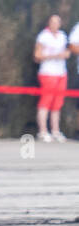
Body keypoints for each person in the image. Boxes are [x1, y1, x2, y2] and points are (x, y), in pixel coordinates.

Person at [34, 14, 69, 142]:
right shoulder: (44, 36)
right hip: (47, 73)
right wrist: (54, 56)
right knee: (46, 101)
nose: (55, 24)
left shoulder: (62, 36)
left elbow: (66, 52)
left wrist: (64, 54)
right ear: (49, 23)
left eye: (57, 22)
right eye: (53, 22)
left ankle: (55, 130)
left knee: (58, 103)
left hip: (61, 73)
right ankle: (42, 131)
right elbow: (37, 55)